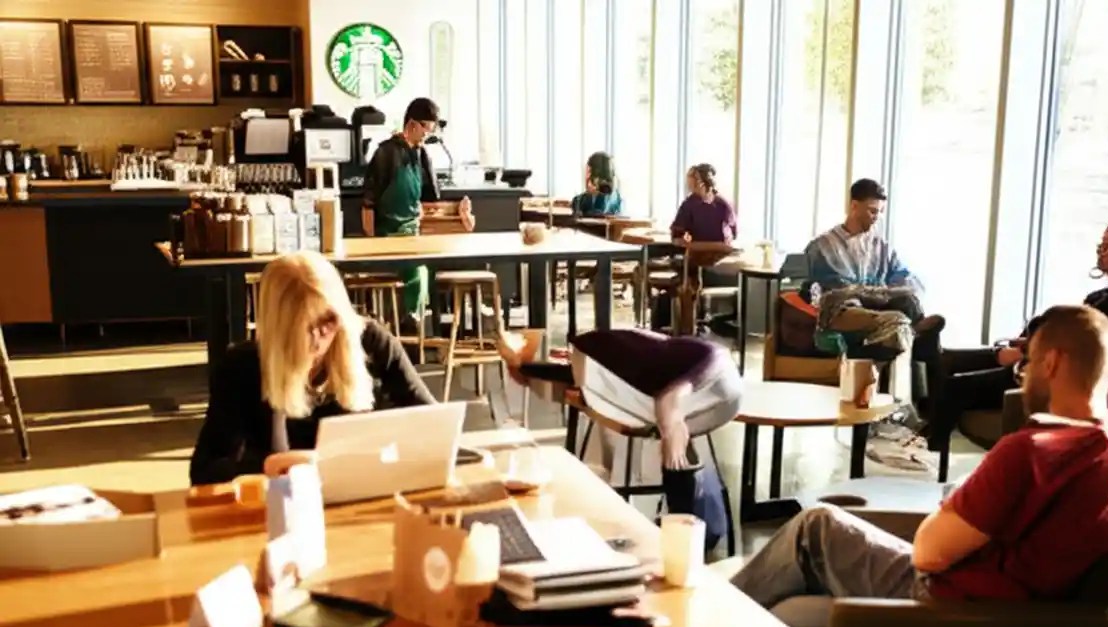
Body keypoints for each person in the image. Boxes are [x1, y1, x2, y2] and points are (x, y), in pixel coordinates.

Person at [724, 304, 1108, 627]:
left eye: (1028, 364)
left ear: (1053, 363)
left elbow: (928, 553)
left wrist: (958, 505)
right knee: (791, 601)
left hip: (952, 612)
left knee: (813, 528)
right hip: (1018, 620)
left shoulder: (1031, 452)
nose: (1022, 380)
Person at [190, 252, 436, 485]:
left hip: (362, 495)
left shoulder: (370, 342)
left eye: (329, 319)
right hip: (281, 505)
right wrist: (268, 466)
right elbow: (205, 471)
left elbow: (432, 422)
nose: (321, 335)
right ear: (281, 327)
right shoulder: (242, 368)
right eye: (306, 326)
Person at [496, 328, 740, 550]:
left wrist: (524, 370)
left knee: (574, 377)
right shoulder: (715, 365)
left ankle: (687, 525)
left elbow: (671, 399)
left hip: (607, 352)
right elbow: (670, 400)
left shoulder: (713, 366)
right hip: (608, 355)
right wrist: (671, 430)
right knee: (676, 449)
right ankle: (688, 529)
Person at [928, 216, 1108, 452]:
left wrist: (1034, 351)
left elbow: (1100, 360)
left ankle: (931, 448)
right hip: (1044, 363)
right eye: (1102, 243)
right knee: (949, 363)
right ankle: (939, 366)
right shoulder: (1101, 298)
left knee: (954, 387)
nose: (1101, 250)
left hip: (1053, 379)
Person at [361, 97, 476, 328]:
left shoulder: (421, 155)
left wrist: (460, 210)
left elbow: (430, 200)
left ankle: (428, 330)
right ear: (412, 124)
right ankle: (410, 326)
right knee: (417, 271)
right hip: (389, 235)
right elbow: (368, 204)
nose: (427, 135)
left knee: (432, 266)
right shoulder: (386, 153)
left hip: (415, 233)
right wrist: (371, 243)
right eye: (426, 129)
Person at [803, 178, 941, 361]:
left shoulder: (882, 247)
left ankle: (930, 374)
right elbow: (837, 292)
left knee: (910, 303)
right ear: (854, 206)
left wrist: (886, 294)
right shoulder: (822, 247)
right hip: (842, 311)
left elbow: (906, 280)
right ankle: (907, 338)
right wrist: (881, 293)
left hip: (878, 307)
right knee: (897, 321)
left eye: (880, 212)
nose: (877, 217)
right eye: (872, 211)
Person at [655, 164, 739, 334]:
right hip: (709, 261)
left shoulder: (716, 205)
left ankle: (689, 329)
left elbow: (732, 235)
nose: (690, 187)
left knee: (689, 279)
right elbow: (677, 232)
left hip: (712, 262)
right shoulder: (697, 204)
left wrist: (688, 241)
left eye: (692, 182)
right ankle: (688, 328)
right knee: (688, 279)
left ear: (702, 183)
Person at [571, 151, 624, 217]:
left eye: (589, 172)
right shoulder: (580, 200)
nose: (586, 177)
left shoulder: (611, 199)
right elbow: (576, 204)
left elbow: (599, 214)